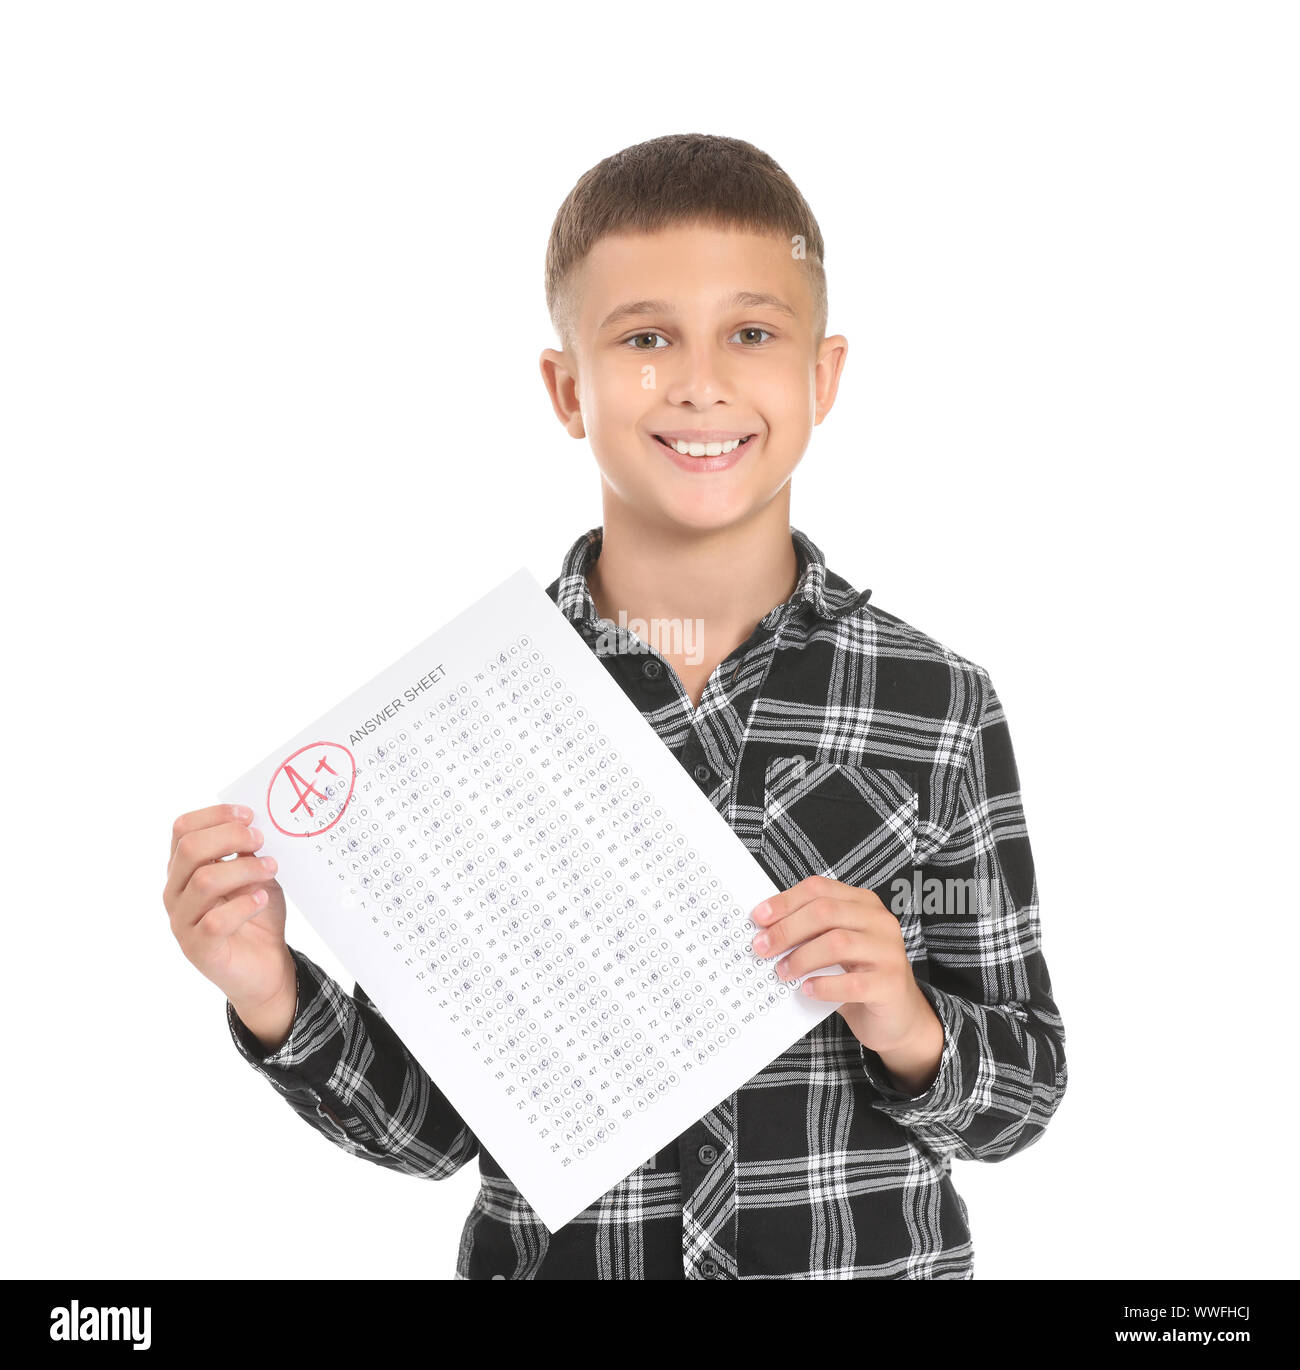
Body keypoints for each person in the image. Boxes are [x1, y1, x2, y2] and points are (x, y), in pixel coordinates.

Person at [163, 132, 1067, 1280]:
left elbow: (1023, 1090)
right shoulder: (464, 724)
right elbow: (436, 1132)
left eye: (752, 332)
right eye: (644, 338)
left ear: (823, 376)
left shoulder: (936, 703)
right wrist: (272, 991)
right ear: (565, 388)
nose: (699, 382)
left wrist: (904, 1018)